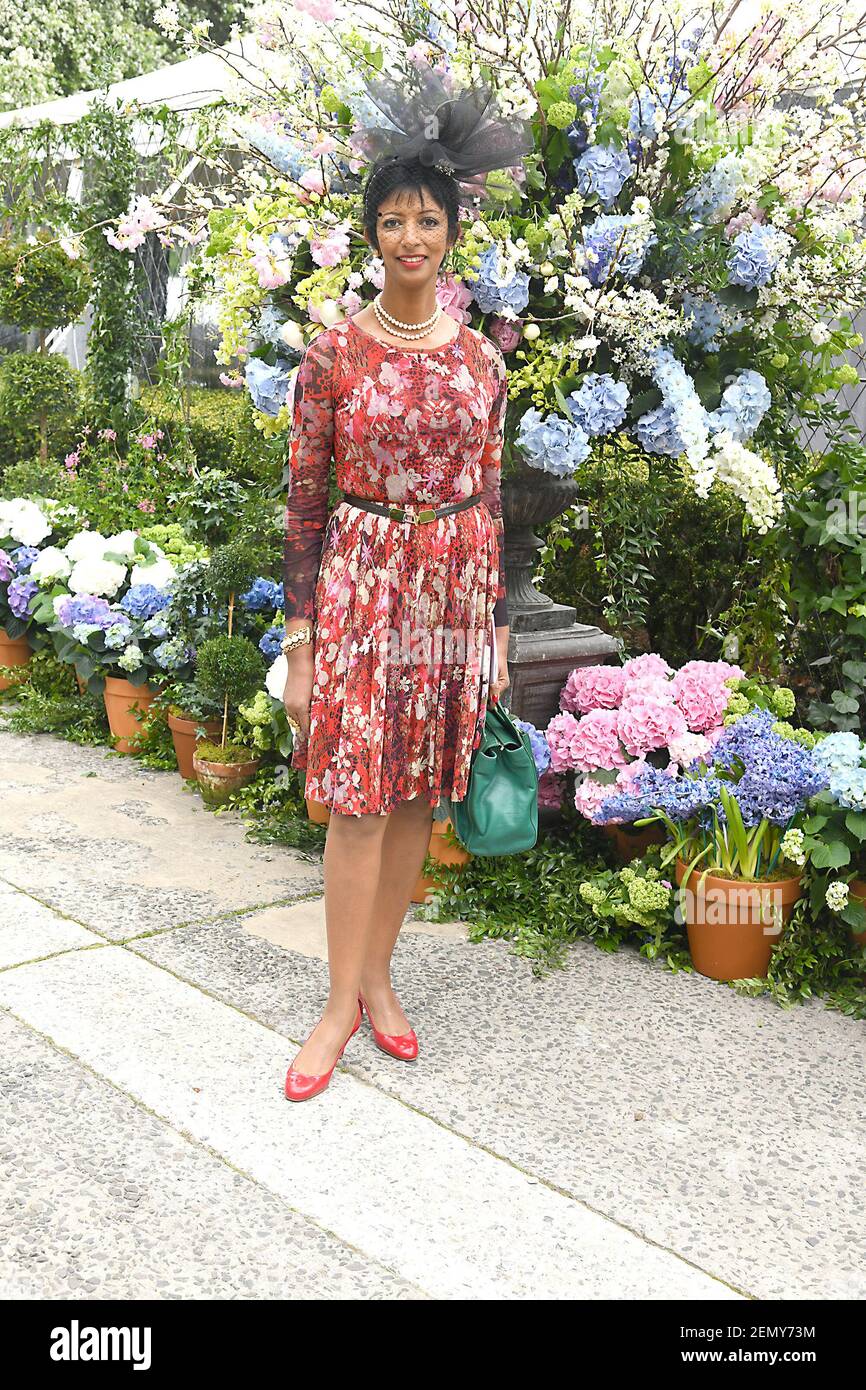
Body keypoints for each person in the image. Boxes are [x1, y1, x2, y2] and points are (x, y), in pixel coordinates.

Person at [280, 74, 533, 1101]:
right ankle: (336, 1002)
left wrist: (499, 632)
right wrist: (299, 645)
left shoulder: (481, 360)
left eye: (426, 219)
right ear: (372, 235)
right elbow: (301, 510)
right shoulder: (330, 358)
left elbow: (493, 494)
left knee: (420, 793)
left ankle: (379, 977)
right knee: (355, 800)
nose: (409, 236)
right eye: (391, 220)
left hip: (451, 596)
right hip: (359, 590)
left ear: (450, 232)